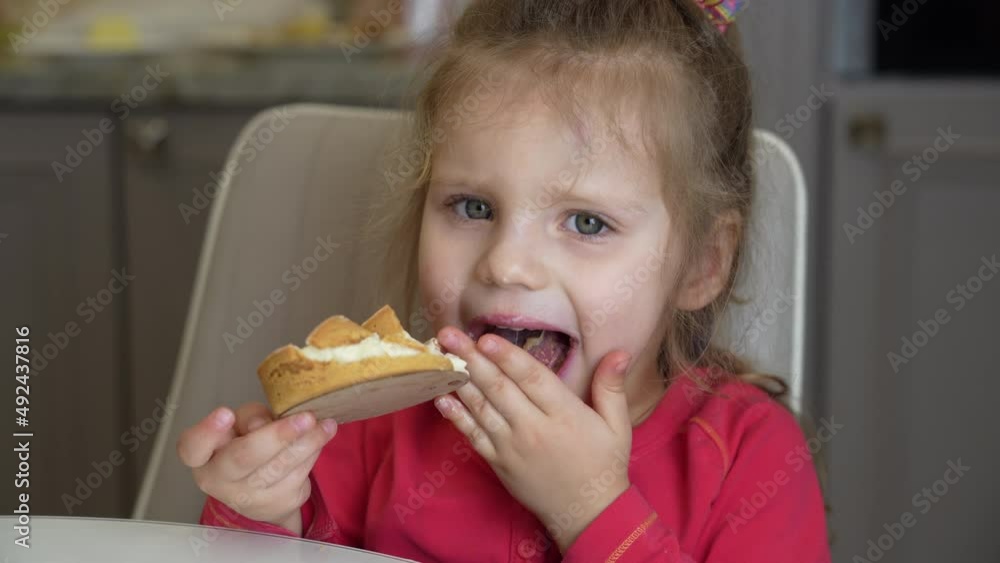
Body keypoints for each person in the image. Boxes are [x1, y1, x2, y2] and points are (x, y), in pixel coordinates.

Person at [178, 1, 831, 560]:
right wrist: (257, 511)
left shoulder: (748, 456)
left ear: (701, 265)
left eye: (586, 222)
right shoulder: (371, 422)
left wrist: (590, 508)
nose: (505, 264)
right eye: (472, 207)